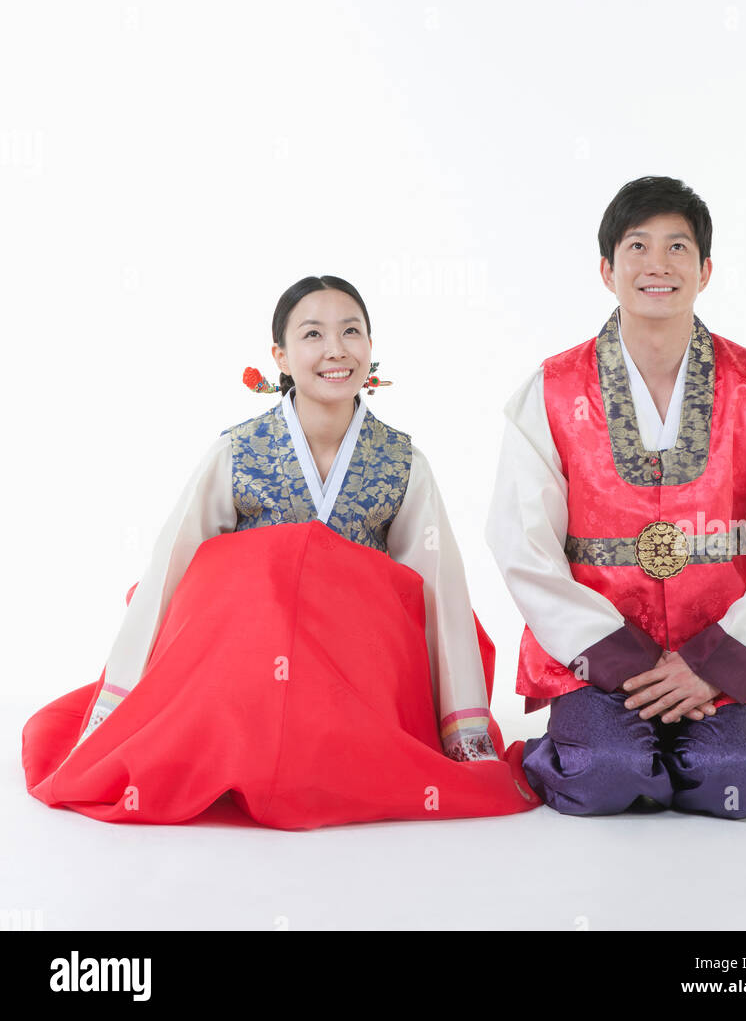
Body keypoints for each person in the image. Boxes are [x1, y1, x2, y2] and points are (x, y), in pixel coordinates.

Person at [22, 275, 538, 829]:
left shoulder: (402, 460)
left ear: (370, 346)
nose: (335, 349)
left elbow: (436, 590)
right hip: (248, 668)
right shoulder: (237, 451)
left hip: (357, 667)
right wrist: (128, 695)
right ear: (281, 356)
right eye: (312, 334)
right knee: (237, 574)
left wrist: (460, 727)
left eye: (351, 332)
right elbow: (175, 568)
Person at [485, 177, 746, 820]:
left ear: (706, 269)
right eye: (637, 246)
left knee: (736, 782)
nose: (658, 264)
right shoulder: (553, 390)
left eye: (677, 247)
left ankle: (680, 749)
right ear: (608, 269)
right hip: (597, 649)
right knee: (605, 776)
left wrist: (716, 662)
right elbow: (520, 540)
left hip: (719, 645)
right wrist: (621, 657)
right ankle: (608, 746)